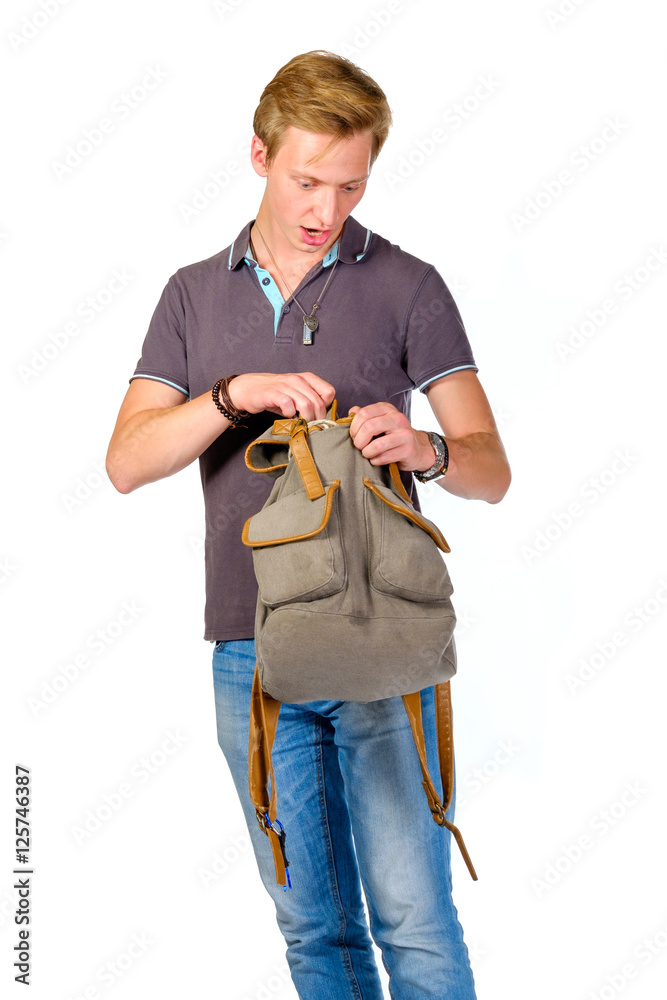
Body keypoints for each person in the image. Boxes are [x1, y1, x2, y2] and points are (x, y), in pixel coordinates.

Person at [106, 49, 510, 1000]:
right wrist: (233, 392)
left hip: (383, 640)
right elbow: (127, 462)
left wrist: (426, 449)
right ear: (258, 155)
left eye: (351, 183)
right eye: (306, 180)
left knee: (413, 920)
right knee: (311, 928)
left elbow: (492, 469)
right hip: (250, 654)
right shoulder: (192, 293)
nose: (326, 208)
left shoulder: (410, 284)